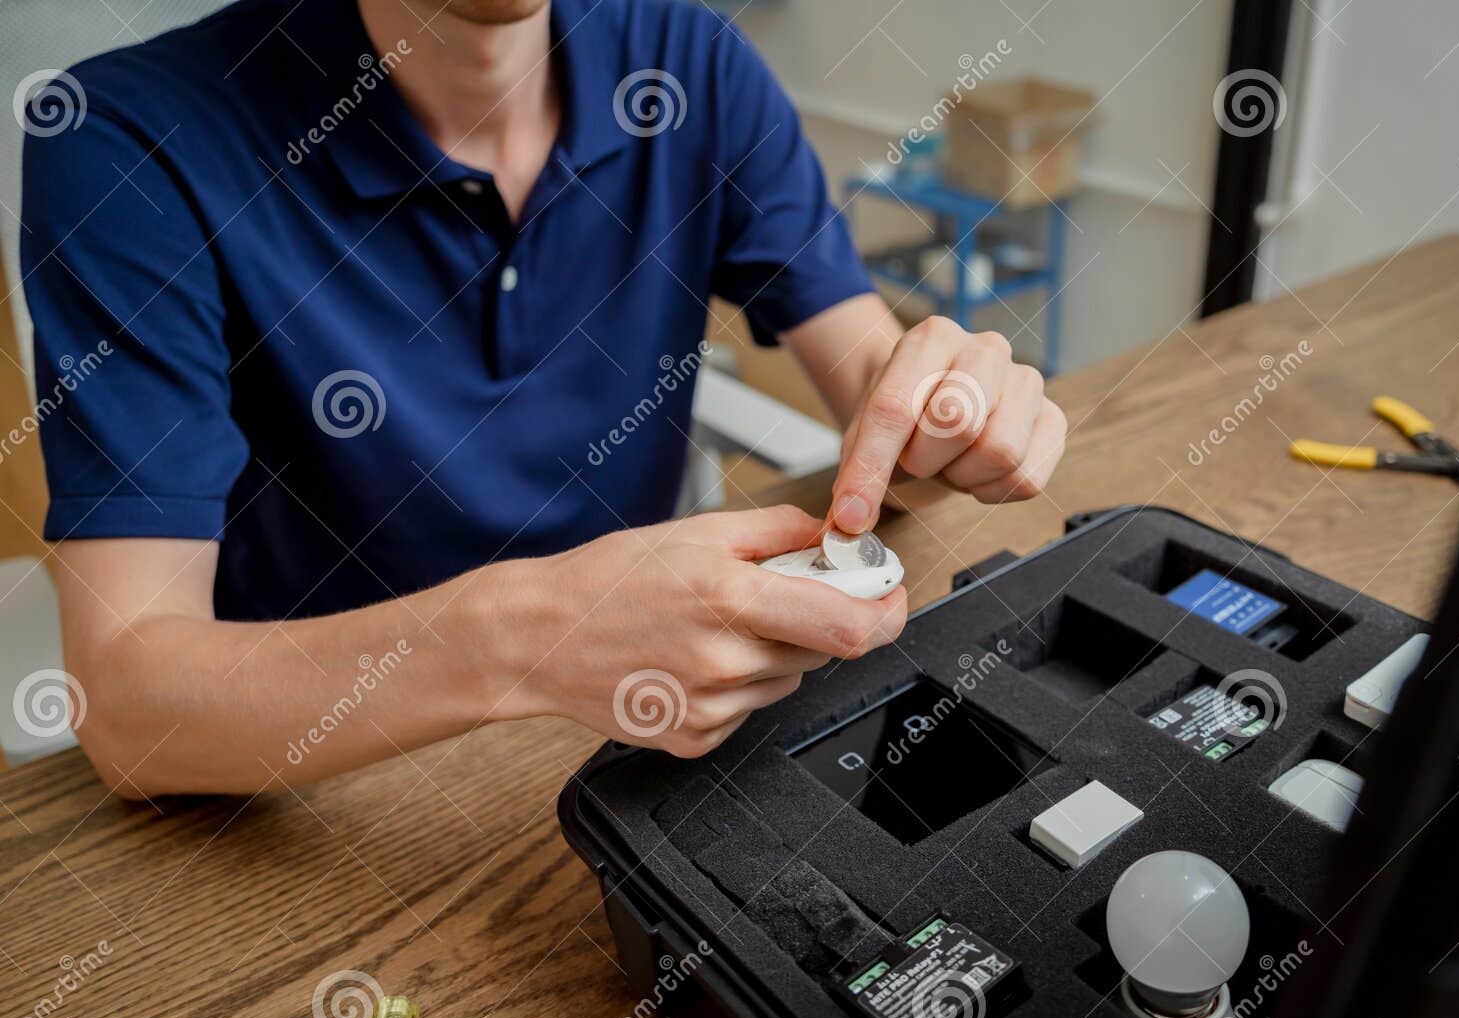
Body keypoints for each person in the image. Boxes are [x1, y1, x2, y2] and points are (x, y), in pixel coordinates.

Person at [19, 0, 1067, 797]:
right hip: (316, 778)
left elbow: (869, 379)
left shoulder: (689, 61)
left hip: (631, 740)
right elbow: (128, 703)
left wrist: (944, 409)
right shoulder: (123, 140)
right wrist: (528, 636)